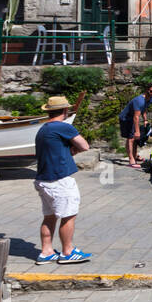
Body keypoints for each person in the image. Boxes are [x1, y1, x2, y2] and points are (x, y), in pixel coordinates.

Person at [34, 96, 92, 265]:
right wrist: (74, 149)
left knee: (49, 216)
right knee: (68, 215)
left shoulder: (44, 129)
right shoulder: (63, 127)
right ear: (65, 111)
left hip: (43, 179)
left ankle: (46, 252)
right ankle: (67, 251)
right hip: (59, 180)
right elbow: (85, 145)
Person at [119, 83, 152, 168]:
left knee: (134, 138)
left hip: (132, 118)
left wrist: (145, 120)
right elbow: (136, 117)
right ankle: (131, 160)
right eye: (151, 91)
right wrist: (137, 132)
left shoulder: (150, 99)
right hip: (126, 118)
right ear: (147, 90)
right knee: (131, 138)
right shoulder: (139, 100)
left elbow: (144, 109)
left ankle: (135, 155)